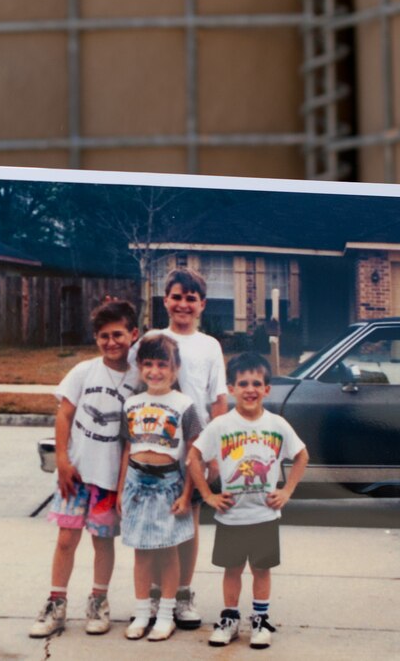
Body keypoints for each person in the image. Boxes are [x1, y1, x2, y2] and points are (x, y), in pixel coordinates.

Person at [28, 300, 140, 639]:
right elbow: (64, 414)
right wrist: (62, 460)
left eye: (118, 334)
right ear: (96, 338)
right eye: (104, 336)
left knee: (102, 542)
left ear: (133, 334)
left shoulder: (140, 379)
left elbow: (133, 438)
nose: (111, 342)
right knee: (65, 539)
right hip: (75, 476)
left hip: (109, 479)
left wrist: (122, 485)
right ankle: (56, 603)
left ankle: (98, 601)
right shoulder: (84, 371)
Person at [188, 352, 309, 649]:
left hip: (264, 515)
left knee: (261, 569)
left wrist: (287, 490)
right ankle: (229, 618)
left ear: (267, 389)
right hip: (231, 515)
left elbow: (302, 455)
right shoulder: (221, 425)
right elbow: (194, 456)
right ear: (231, 388)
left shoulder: (277, 424)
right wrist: (208, 495)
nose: (250, 389)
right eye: (243, 383)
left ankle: (260, 619)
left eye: (257, 383)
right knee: (231, 569)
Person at [132, 266, 228, 628]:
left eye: (191, 298)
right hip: (153, 445)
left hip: (194, 447)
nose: (183, 304)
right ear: (165, 300)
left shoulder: (210, 346)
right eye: (176, 296)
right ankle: (156, 596)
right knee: (155, 525)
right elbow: (134, 378)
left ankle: (183, 594)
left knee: (187, 522)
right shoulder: (153, 338)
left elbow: (218, 401)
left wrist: (214, 452)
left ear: (202, 304)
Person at [118, 334, 204, 642]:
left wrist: (186, 494)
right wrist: (119, 492)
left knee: (169, 552)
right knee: (141, 553)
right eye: (148, 364)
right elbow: (127, 449)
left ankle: (166, 615)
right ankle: (143, 612)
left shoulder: (185, 406)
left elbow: (194, 453)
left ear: (176, 369)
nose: (155, 371)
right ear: (140, 367)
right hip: (136, 485)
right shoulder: (131, 404)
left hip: (170, 484)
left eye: (162, 365)